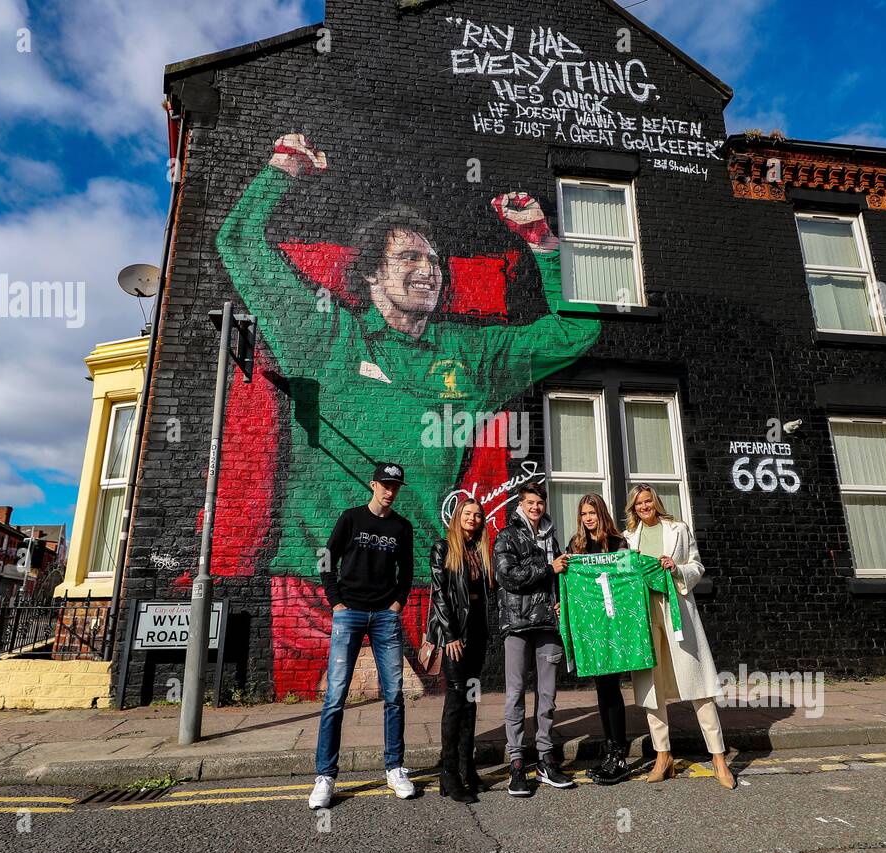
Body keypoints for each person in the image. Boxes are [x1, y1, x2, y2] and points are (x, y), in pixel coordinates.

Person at [215, 132, 601, 694]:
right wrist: (282, 170)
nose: (428, 269)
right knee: (329, 717)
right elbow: (239, 242)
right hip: (315, 580)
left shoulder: (473, 354)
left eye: (434, 260)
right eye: (409, 257)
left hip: (423, 582)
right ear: (372, 275)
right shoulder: (324, 333)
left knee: (419, 720)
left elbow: (577, 330)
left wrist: (542, 242)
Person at [309, 463, 416, 810]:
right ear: (373, 485)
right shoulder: (351, 518)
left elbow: (408, 570)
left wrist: (398, 603)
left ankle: (394, 768)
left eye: (395, 486)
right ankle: (325, 776)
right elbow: (327, 559)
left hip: (385, 616)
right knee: (335, 697)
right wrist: (336, 602)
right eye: (385, 484)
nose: (389, 490)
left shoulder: (402, 527)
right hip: (349, 614)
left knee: (394, 696)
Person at [624, 484, 735, 789]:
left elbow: (697, 566)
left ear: (656, 502)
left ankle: (718, 758)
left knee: (698, 683)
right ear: (633, 509)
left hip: (676, 608)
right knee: (651, 686)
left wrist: (676, 569)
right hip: (645, 613)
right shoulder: (628, 538)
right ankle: (663, 757)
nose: (644, 507)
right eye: (638, 504)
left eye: (648, 501)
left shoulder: (678, 528)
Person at [494, 482, 574, 796]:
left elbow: (559, 577)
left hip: (548, 623)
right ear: (521, 504)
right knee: (515, 693)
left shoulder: (552, 538)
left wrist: (560, 599)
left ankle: (545, 758)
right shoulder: (506, 536)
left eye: (539, 503)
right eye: (530, 502)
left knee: (548, 693)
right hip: (517, 623)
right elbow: (507, 576)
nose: (535, 508)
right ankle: (516, 762)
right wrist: (547, 568)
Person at [424, 496, 496, 803]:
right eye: (468, 514)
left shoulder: (480, 551)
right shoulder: (443, 548)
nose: (473, 518)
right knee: (455, 702)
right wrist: (451, 635)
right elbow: (439, 595)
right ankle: (449, 775)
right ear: (457, 518)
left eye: (478, 515)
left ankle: (468, 770)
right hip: (455, 637)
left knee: (471, 700)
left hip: (477, 636)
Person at [566, 494, 633, 785]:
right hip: (589, 627)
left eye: (592, 512)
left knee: (611, 687)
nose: (588, 518)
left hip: (612, 623)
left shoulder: (618, 543)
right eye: (583, 514)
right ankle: (610, 752)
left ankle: (619, 755)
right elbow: (568, 580)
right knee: (602, 690)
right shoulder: (576, 544)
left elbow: (627, 581)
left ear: (601, 513)